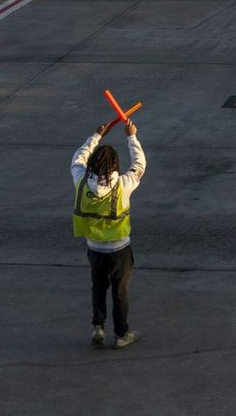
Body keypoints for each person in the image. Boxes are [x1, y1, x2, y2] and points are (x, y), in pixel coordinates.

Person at [72, 119, 145, 349]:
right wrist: (131, 136)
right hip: (120, 250)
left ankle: (98, 327)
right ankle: (121, 334)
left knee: (98, 287)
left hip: (94, 249)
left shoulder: (81, 182)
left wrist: (95, 137)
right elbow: (139, 164)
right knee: (120, 293)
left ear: (93, 163)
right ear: (115, 165)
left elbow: (77, 159)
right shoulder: (123, 184)